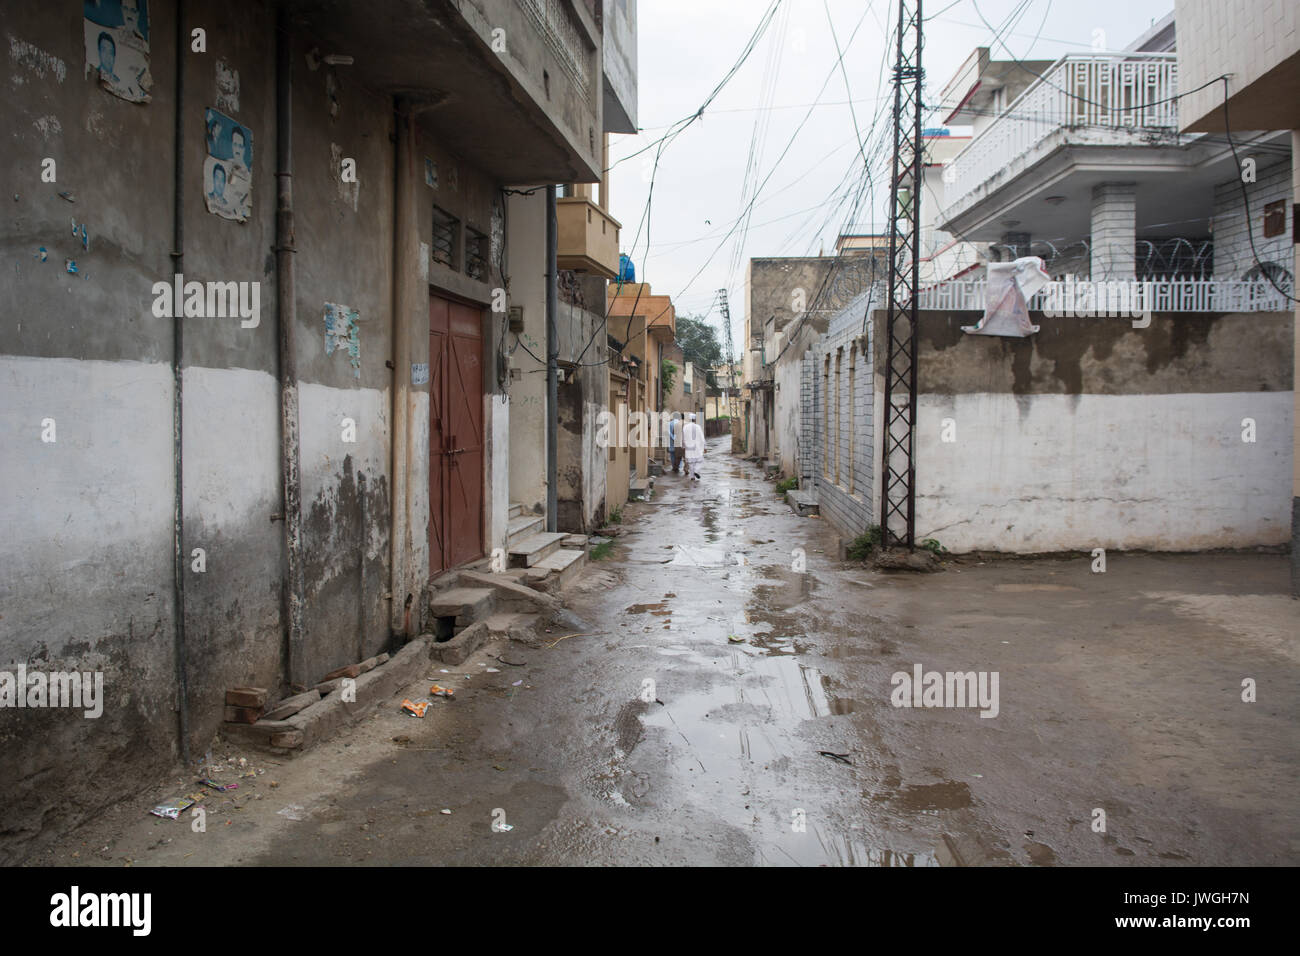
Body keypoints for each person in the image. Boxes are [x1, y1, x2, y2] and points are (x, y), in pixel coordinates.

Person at [682, 412, 706, 481]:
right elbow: (702, 438)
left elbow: (683, 438)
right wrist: (704, 446)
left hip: (688, 447)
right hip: (697, 447)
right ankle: (696, 471)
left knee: (691, 463)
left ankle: (692, 477)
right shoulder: (698, 427)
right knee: (699, 461)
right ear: (694, 419)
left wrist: (683, 446)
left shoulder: (685, 427)